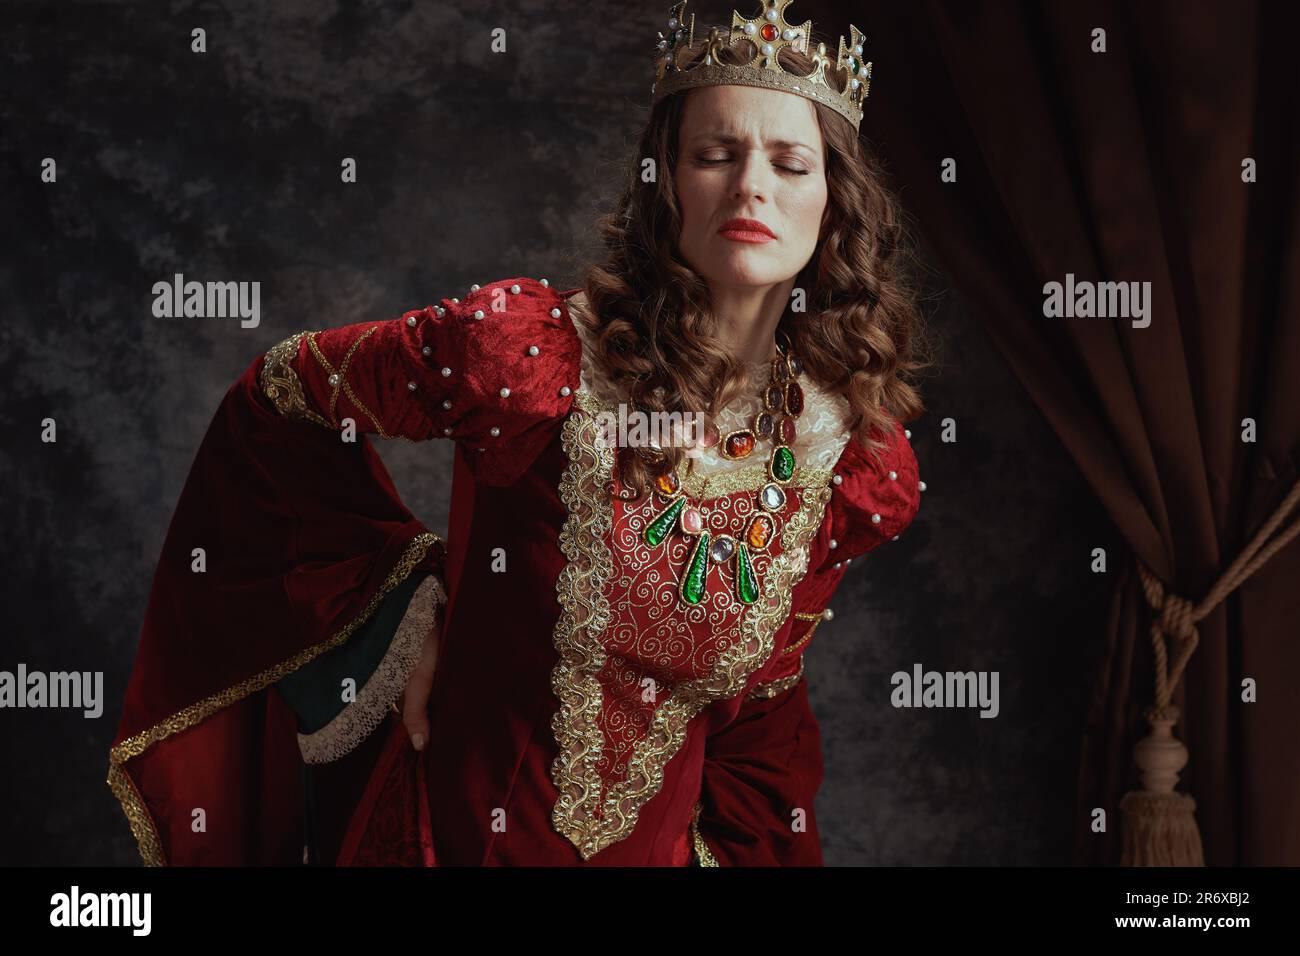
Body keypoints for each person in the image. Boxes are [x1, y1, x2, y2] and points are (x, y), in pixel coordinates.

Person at [107, 0, 929, 866]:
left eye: (790, 163)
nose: (751, 186)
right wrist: (402, 609)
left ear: (833, 203)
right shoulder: (527, 362)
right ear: (667, 182)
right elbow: (284, 397)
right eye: (715, 154)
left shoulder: (846, 468)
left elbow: (762, 720)